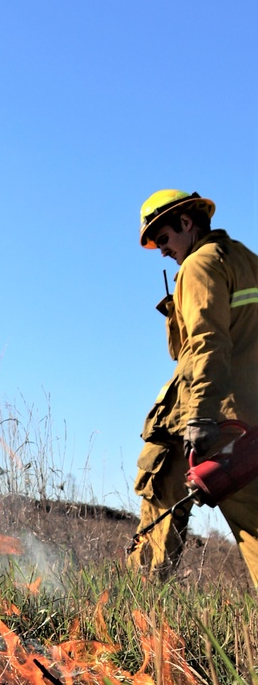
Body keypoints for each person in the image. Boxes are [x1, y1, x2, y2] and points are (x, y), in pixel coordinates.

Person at [131, 188, 258, 586]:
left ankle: (139, 620)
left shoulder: (200, 265)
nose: (163, 251)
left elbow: (206, 341)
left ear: (187, 223)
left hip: (212, 421)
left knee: (159, 507)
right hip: (249, 424)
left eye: (164, 239)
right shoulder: (247, 260)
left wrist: (200, 416)